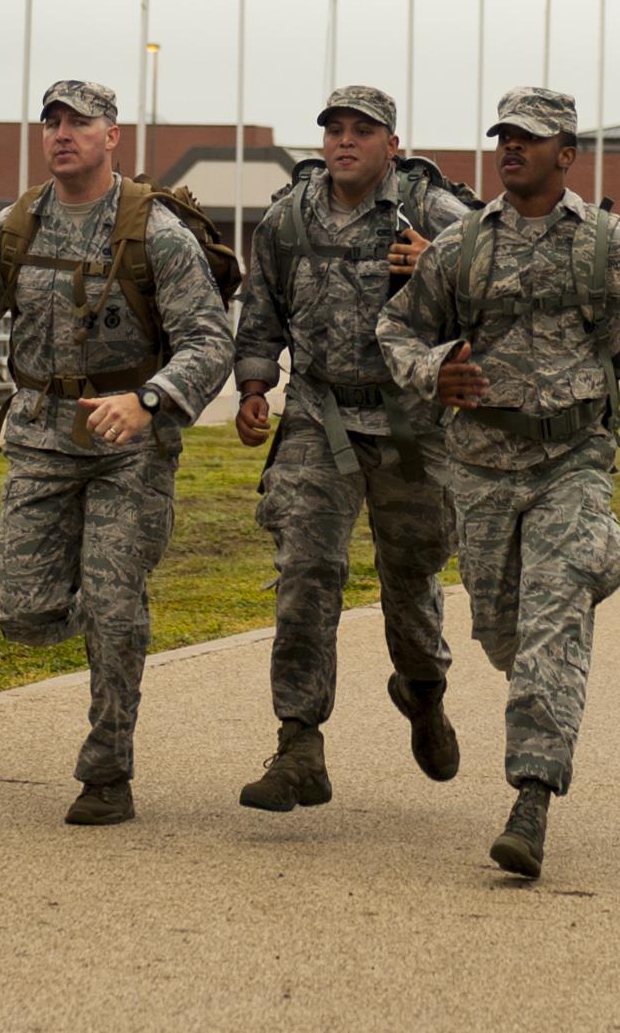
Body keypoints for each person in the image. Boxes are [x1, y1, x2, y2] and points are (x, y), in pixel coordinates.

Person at [376, 86, 620, 881]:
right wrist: (436, 370)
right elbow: (395, 327)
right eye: (503, 136)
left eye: (529, 138)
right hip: (481, 467)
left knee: (550, 626)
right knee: (503, 631)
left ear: (566, 153)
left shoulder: (614, 244)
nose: (511, 148)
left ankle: (530, 799)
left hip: (573, 460)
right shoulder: (461, 245)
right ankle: (605, 554)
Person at [0, 81, 246, 827]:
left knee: (113, 606)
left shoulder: (156, 233)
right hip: (41, 437)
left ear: (113, 135)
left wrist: (147, 399)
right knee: (23, 609)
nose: (62, 133)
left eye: (79, 121)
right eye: (51, 121)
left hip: (128, 448)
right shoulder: (16, 226)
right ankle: (110, 606)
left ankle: (107, 768)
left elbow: (211, 341)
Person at [230, 84, 473, 815]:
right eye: (334, 128)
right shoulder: (288, 217)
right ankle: (299, 741)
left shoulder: (434, 213)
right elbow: (262, 308)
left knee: (412, 575)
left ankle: (422, 689)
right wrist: (252, 383)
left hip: (410, 424)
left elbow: (498, 287)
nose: (344, 141)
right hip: (319, 413)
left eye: (362, 130)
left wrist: (443, 265)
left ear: (391, 143)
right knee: (306, 567)